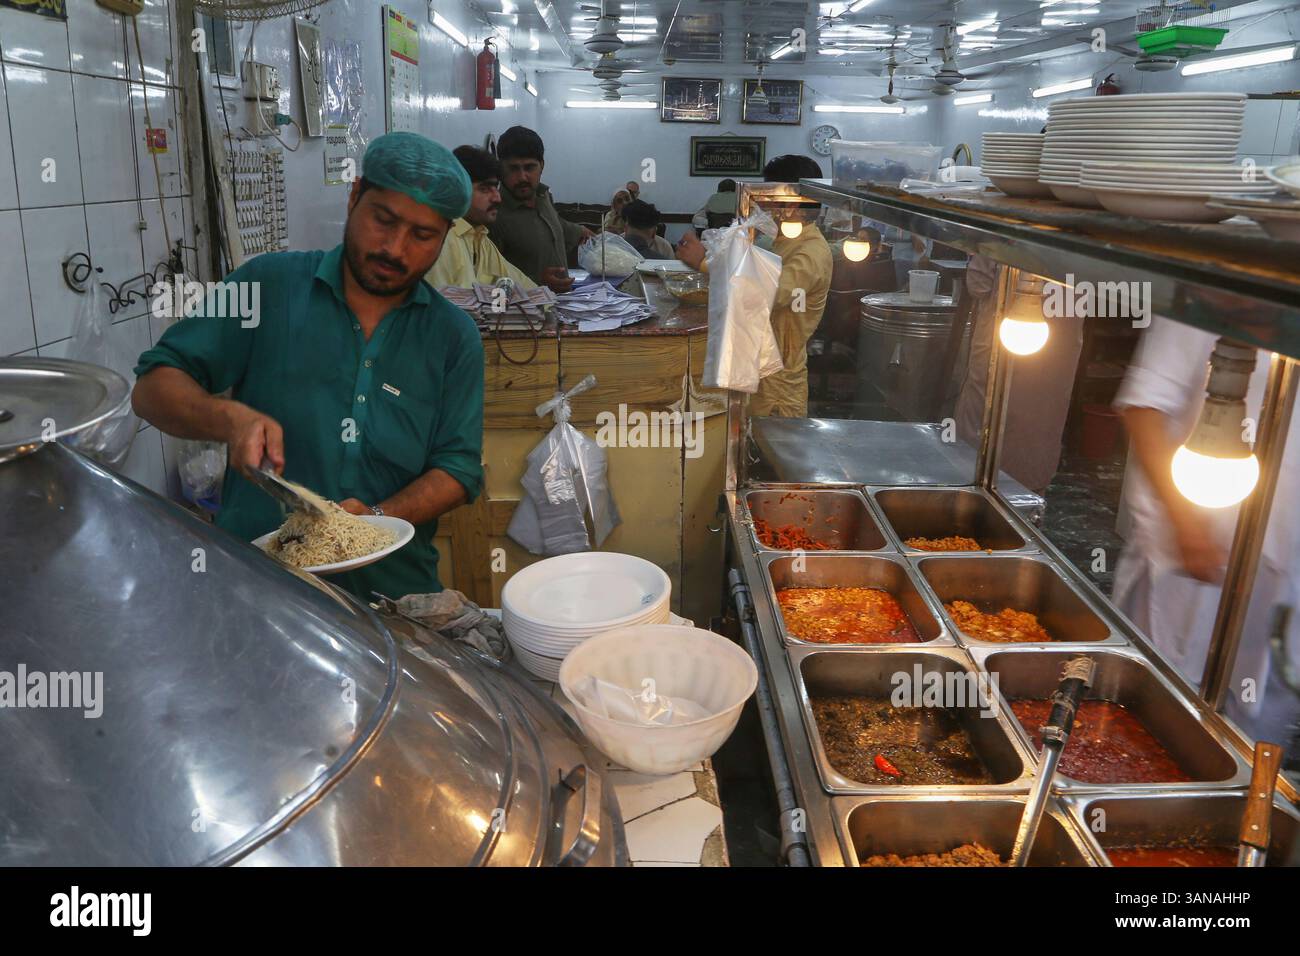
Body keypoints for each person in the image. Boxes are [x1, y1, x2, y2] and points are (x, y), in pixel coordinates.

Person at [132, 132, 484, 600]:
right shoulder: (268, 286)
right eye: (383, 220)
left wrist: (375, 519)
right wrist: (231, 419)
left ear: (444, 238)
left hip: (392, 598)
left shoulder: (453, 337)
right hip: (261, 588)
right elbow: (153, 388)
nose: (395, 249)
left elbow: (458, 469)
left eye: (422, 236)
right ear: (355, 195)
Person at [1112, 315, 1300, 746]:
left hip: (1285, 586)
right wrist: (1189, 531)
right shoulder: (1216, 290)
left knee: (1249, 751)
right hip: (1194, 567)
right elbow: (1145, 407)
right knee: (1152, 727)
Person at [675, 155, 833, 417]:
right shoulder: (784, 240)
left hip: (778, 385)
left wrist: (704, 262)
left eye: (769, 196)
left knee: (768, 451)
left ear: (793, 201)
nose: (764, 204)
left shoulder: (811, 252)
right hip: (759, 367)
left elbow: (765, 295)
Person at [489, 126, 593, 285]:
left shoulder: (543, 196)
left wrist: (580, 231)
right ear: (501, 169)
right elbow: (488, 285)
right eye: (513, 168)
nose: (522, 177)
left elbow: (554, 223)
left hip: (563, 304)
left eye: (530, 167)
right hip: (526, 308)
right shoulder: (493, 215)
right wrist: (537, 283)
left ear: (542, 165)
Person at [425, 145, 538, 291]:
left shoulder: (480, 238)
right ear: (457, 190)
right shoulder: (442, 240)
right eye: (484, 189)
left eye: (495, 188)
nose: (497, 198)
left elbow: (525, 288)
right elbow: (436, 310)